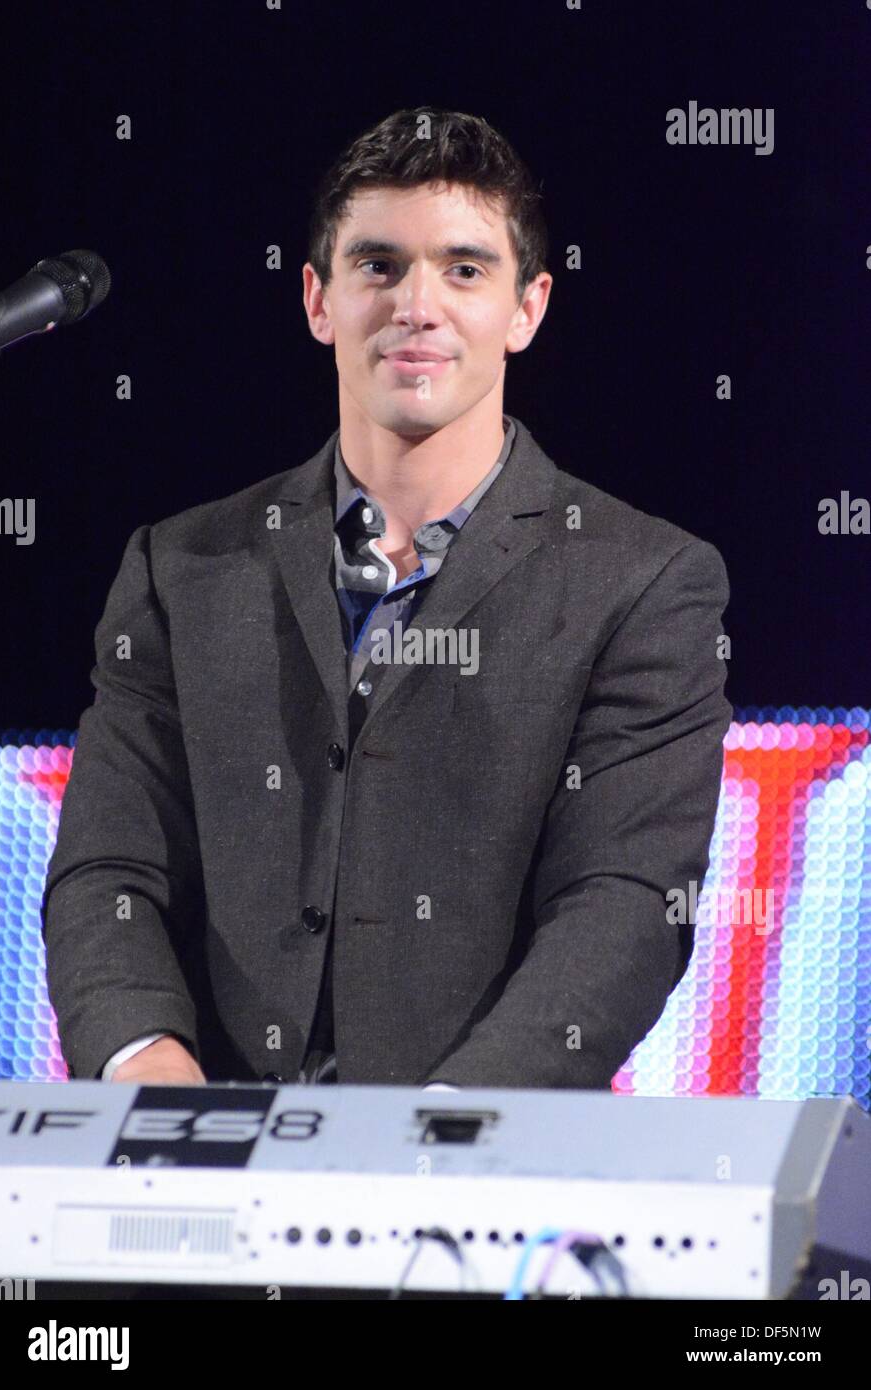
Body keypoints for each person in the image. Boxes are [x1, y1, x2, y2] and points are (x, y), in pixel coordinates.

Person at [41, 106, 732, 1092]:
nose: (416, 304)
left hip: (474, 1183)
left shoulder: (642, 581)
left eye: (462, 269)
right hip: (202, 1170)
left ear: (526, 308)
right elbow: (110, 868)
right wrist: (145, 1064)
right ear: (317, 300)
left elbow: (621, 901)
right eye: (378, 265)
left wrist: (448, 1123)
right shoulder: (181, 565)